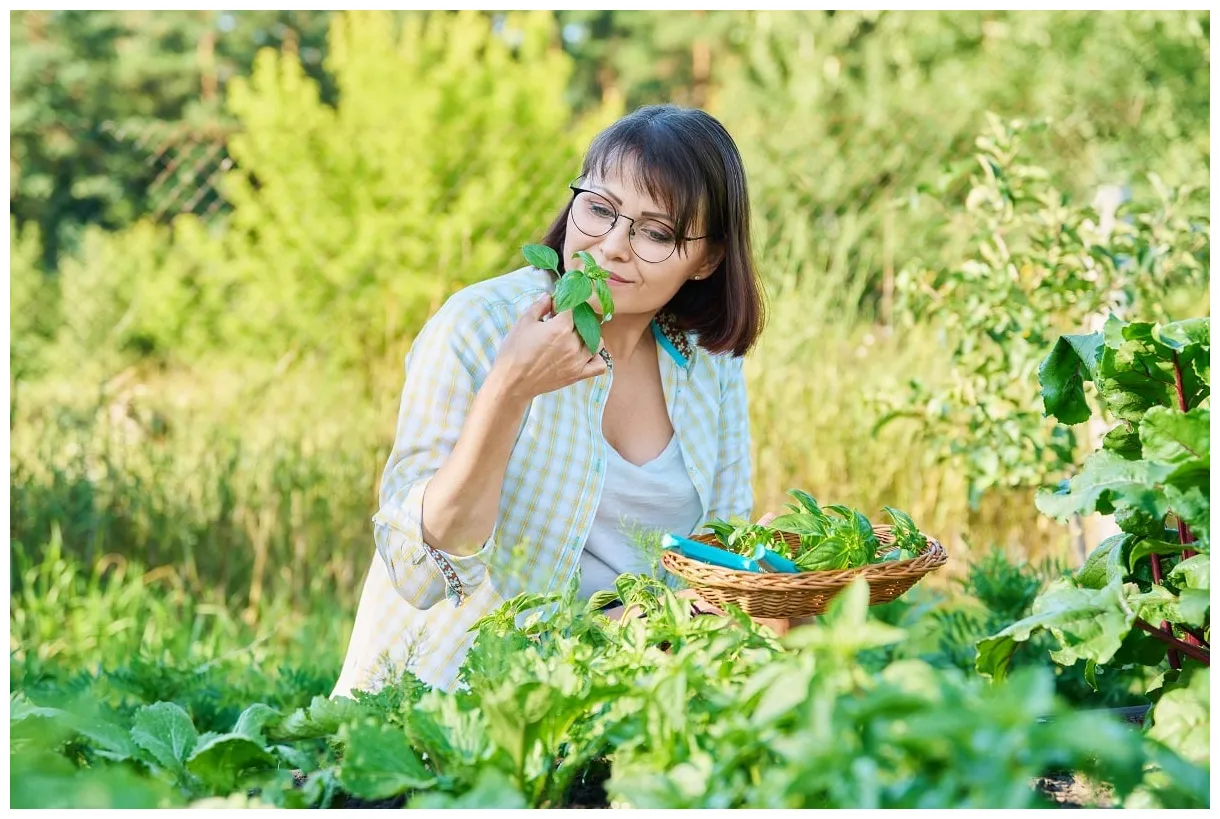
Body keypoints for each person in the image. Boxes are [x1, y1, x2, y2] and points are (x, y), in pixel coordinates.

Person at [332, 104, 780, 699]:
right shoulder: (478, 328)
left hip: (621, 691)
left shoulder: (709, 363)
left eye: (655, 231)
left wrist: (753, 578)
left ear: (708, 259)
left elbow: (717, 550)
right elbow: (420, 571)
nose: (612, 246)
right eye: (599, 208)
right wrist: (509, 389)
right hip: (445, 700)